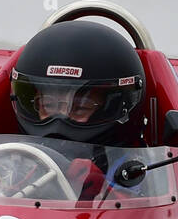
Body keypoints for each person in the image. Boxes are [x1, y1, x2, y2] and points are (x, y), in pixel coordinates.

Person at [8, 20, 148, 197]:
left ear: (117, 107)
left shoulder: (135, 168)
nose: (58, 122)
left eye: (80, 107)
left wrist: (102, 190)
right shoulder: (7, 161)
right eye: (48, 105)